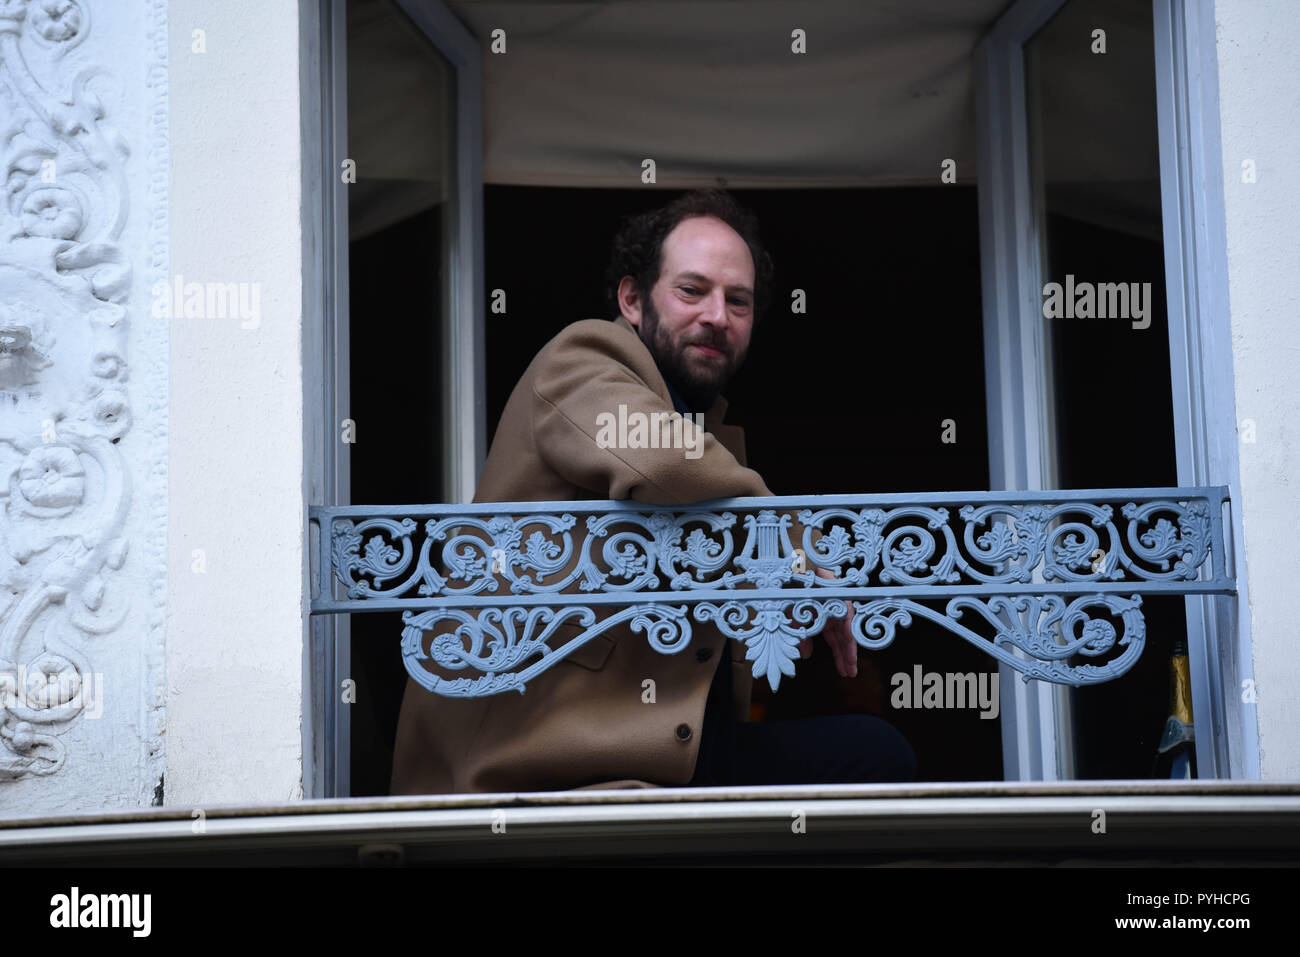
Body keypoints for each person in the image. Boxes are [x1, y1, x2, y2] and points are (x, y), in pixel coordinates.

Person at [389, 189, 915, 794]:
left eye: (737, 300)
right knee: (876, 756)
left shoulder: (706, 427)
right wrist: (801, 545)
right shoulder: (584, 356)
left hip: (658, 760)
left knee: (875, 755)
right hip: (520, 765)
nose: (717, 315)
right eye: (692, 291)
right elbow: (663, 461)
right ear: (633, 299)